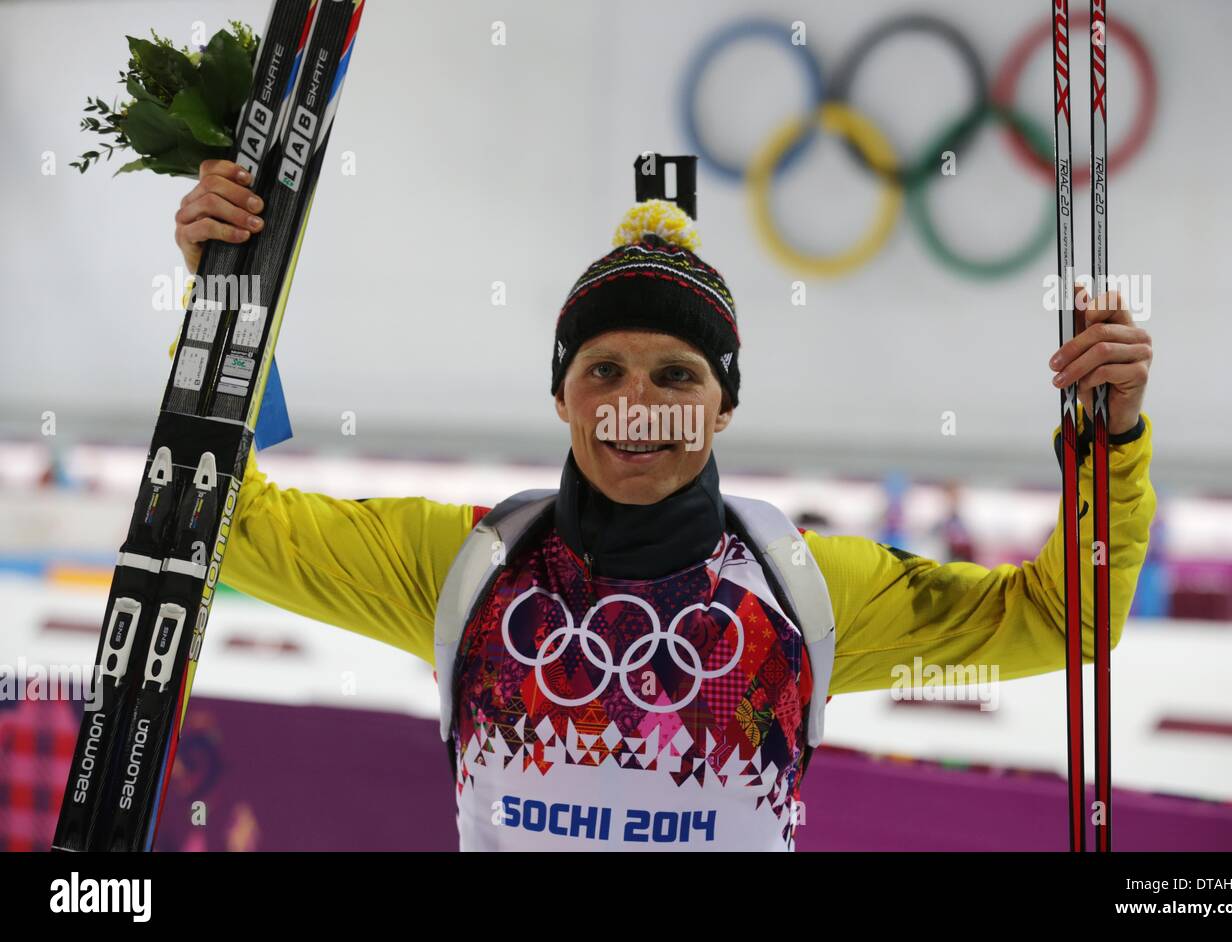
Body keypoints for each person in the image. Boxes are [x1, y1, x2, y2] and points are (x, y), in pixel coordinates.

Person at [171, 159, 1156, 851]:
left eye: (676, 376)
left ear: (725, 405)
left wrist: (1107, 444)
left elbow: (1058, 621)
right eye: (604, 369)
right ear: (560, 396)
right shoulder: (464, 569)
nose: (635, 404)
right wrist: (225, 301)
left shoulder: (803, 591)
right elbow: (231, 524)